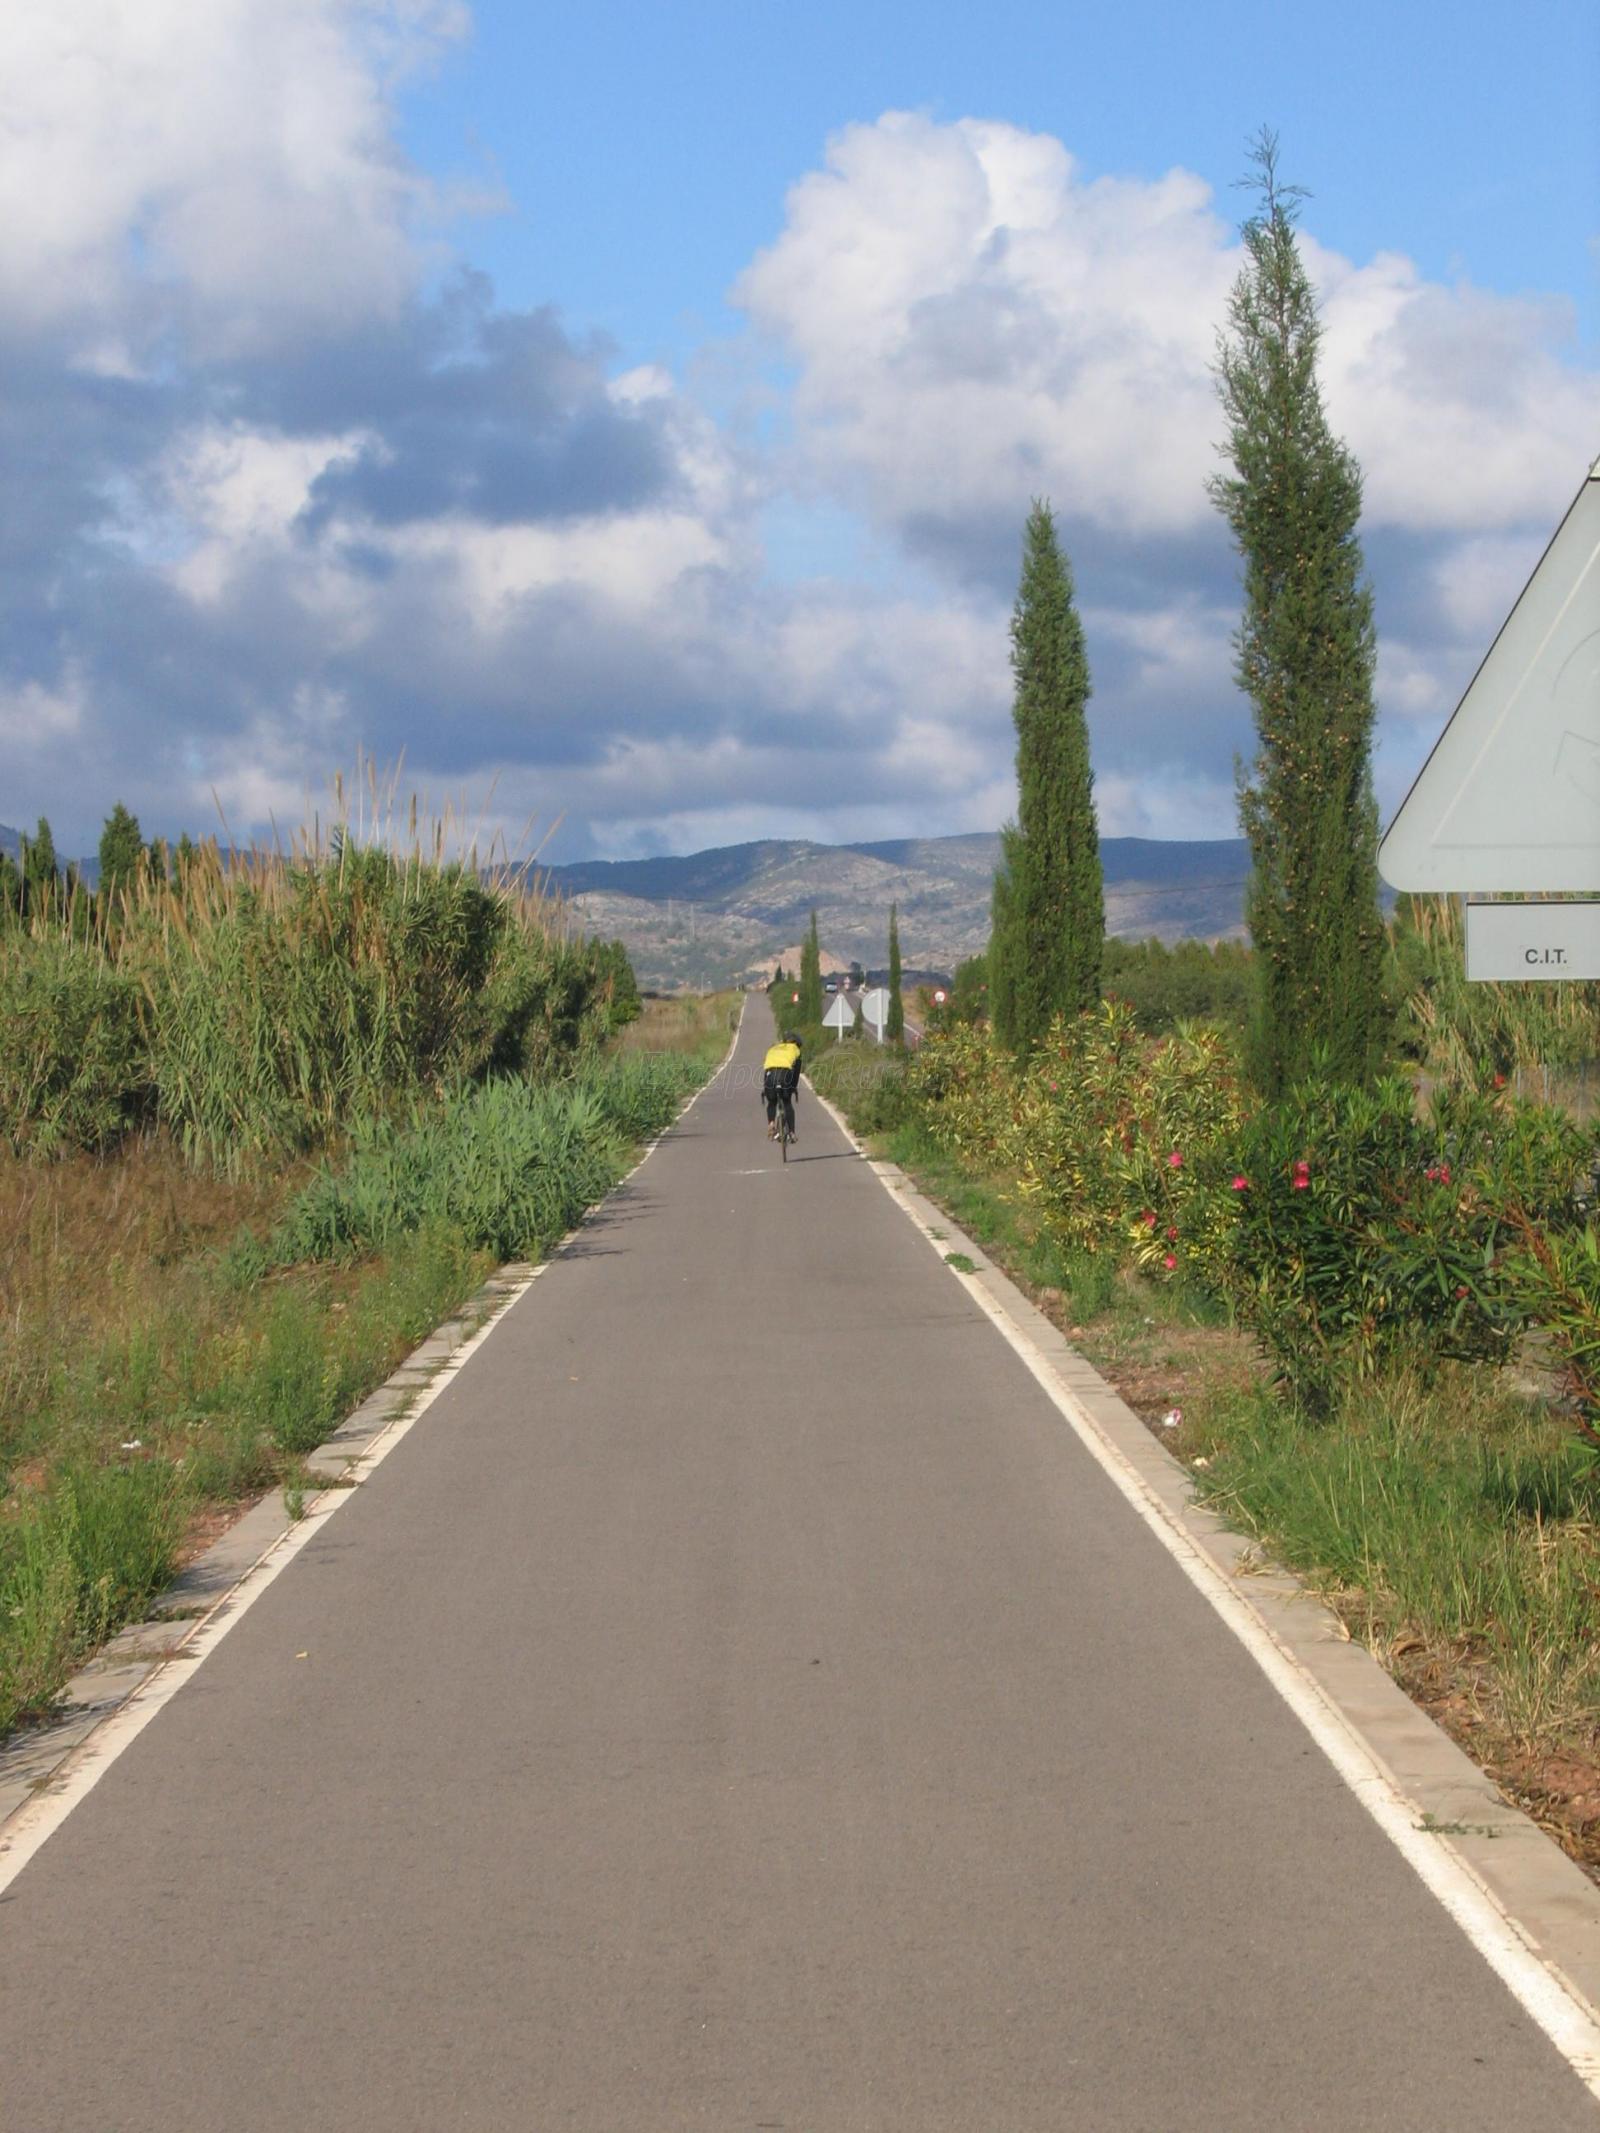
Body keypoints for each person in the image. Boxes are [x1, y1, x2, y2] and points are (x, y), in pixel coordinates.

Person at [762, 1030, 803, 1140]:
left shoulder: (773, 1048)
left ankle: (771, 1123)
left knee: (771, 1102)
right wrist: (793, 1087)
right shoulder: (795, 1050)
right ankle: (792, 1133)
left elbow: (766, 1069)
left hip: (770, 1076)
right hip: (784, 1075)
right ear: (797, 1043)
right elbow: (797, 1072)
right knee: (787, 1103)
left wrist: (765, 1089)